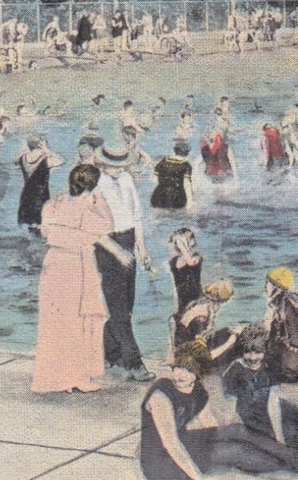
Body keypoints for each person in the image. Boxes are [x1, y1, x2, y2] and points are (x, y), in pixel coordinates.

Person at [139, 344, 298, 480]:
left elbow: (209, 426)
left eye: (189, 369)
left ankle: (295, 455)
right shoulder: (161, 394)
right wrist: (200, 479)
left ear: (199, 373)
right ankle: (296, 464)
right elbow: (171, 442)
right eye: (177, 367)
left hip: (178, 444)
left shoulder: (198, 391)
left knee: (237, 431)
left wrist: (229, 430)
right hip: (162, 466)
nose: (180, 374)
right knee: (235, 451)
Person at [32, 164, 120, 394]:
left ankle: (52, 377)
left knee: (54, 321)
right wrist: (98, 199)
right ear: (93, 185)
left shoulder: (54, 204)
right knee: (79, 322)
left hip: (53, 263)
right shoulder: (87, 209)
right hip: (76, 265)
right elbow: (108, 226)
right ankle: (78, 376)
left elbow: (45, 231)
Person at [92, 146, 154, 381]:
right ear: (103, 164)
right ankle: (134, 363)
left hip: (128, 239)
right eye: (113, 166)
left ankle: (110, 352)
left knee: (126, 305)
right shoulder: (95, 185)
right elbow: (94, 228)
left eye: (121, 165)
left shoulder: (127, 178)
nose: (118, 170)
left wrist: (142, 248)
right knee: (118, 307)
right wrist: (117, 251)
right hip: (107, 245)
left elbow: (136, 215)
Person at [169, 279, 238, 371]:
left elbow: (173, 321)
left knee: (227, 331)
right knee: (232, 342)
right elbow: (205, 356)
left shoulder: (197, 305)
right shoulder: (202, 317)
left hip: (183, 349)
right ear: (220, 301)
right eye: (225, 302)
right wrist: (230, 342)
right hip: (190, 360)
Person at [261, 267, 298, 385]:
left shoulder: (275, 304)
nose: (265, 287)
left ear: (275, 286)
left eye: (267, 283)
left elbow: (266, 335)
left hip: (286, 371)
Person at [16, 135, 64, 232]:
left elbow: (15, 162)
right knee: (41, 227)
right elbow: (62, 160)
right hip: (41, 196)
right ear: (41, 145)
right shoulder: (45, 159)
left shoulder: (22, 158)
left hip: (26, 196)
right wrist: (48, 151)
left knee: (28, 226)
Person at [165, 227, 204, 314]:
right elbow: (174, 286)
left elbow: (190, 262)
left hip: (197, 302)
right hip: (183, 304)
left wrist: (183, 244)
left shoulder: (196, 257)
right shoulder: (173, 262)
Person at [149, 140, 197, 211]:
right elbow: (186, 184)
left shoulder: (163, 161)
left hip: (159, 197)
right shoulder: (186, 165)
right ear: (186, 152)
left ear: (175, 150)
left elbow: (155, 180)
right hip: (177, 199)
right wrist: (190, 203)